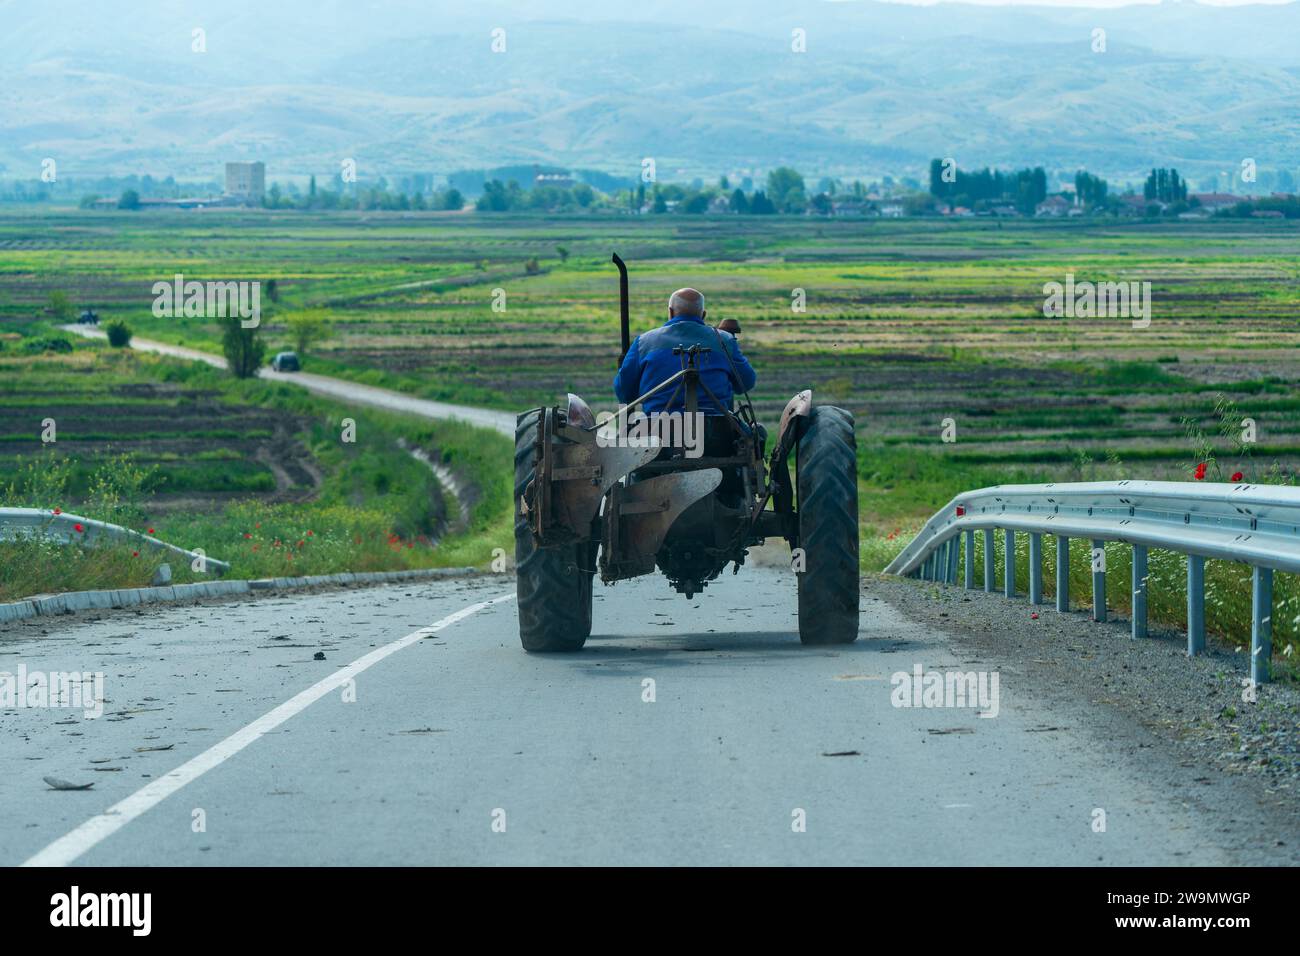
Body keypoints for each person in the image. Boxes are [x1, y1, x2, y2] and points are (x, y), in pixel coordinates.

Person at [613, 288, 755, 415]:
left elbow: (624, 392)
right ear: (703, 315)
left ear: (670, 312)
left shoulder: (644, 342)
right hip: (716, 431)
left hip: (656, 430)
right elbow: (746, 382)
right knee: (758, 434)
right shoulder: (725, 340)